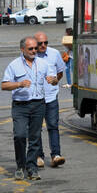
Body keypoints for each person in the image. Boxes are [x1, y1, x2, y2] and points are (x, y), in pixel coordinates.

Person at [1, 35, 55, 181]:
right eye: (30, 48)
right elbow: (4, 85)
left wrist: (53, 80)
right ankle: (20, 166)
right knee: (19, 135)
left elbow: (54, 79)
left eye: (35, 48)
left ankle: (32, 168)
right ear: (22, 49)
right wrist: (18, 84)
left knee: (35, 137)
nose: (34, 51)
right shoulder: (14, 65)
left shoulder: (43, 63)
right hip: (20, 105)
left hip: (38, 104)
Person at [33, 31, 67, 168]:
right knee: (36, 129)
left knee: (53, 126)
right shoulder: (30, 55)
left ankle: (56, 155)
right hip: (36, 97)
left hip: (51, 96)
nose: (43, 45)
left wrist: (55, 80)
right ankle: (39, 156)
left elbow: (60, 72)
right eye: (40, 43)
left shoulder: (54, 54)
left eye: (45, 43)